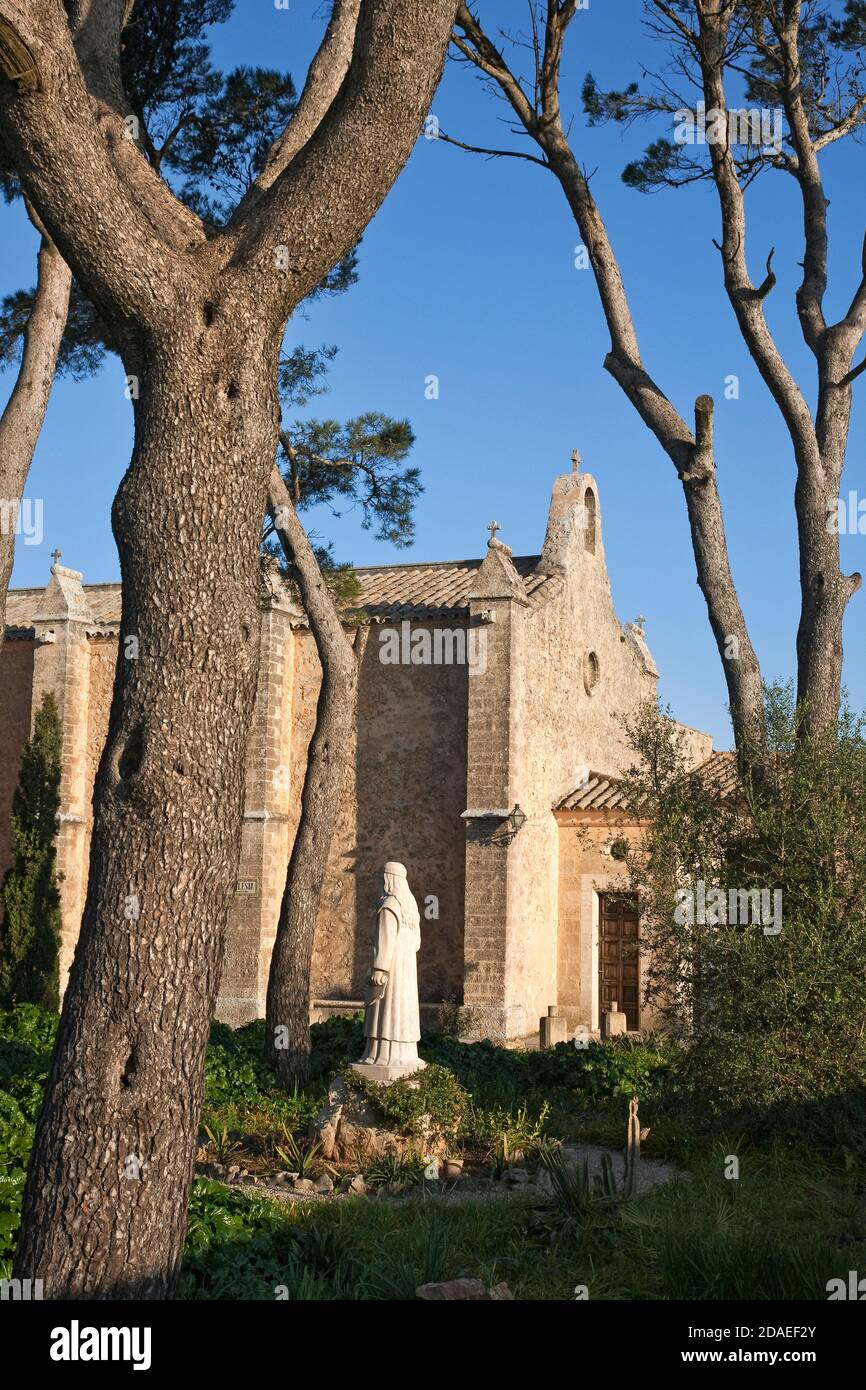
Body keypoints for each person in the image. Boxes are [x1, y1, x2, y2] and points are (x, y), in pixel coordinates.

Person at [358, 861, 423, 1072]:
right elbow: (416, 944)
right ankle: (404, 1053)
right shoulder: (410, 908)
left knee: (386, 1008)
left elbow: (384, 940)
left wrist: (379, 969)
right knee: (402, 1009)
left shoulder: (389, 906)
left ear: (389, 879)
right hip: (407, 969)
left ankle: (381, 1055)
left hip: (392, 968)